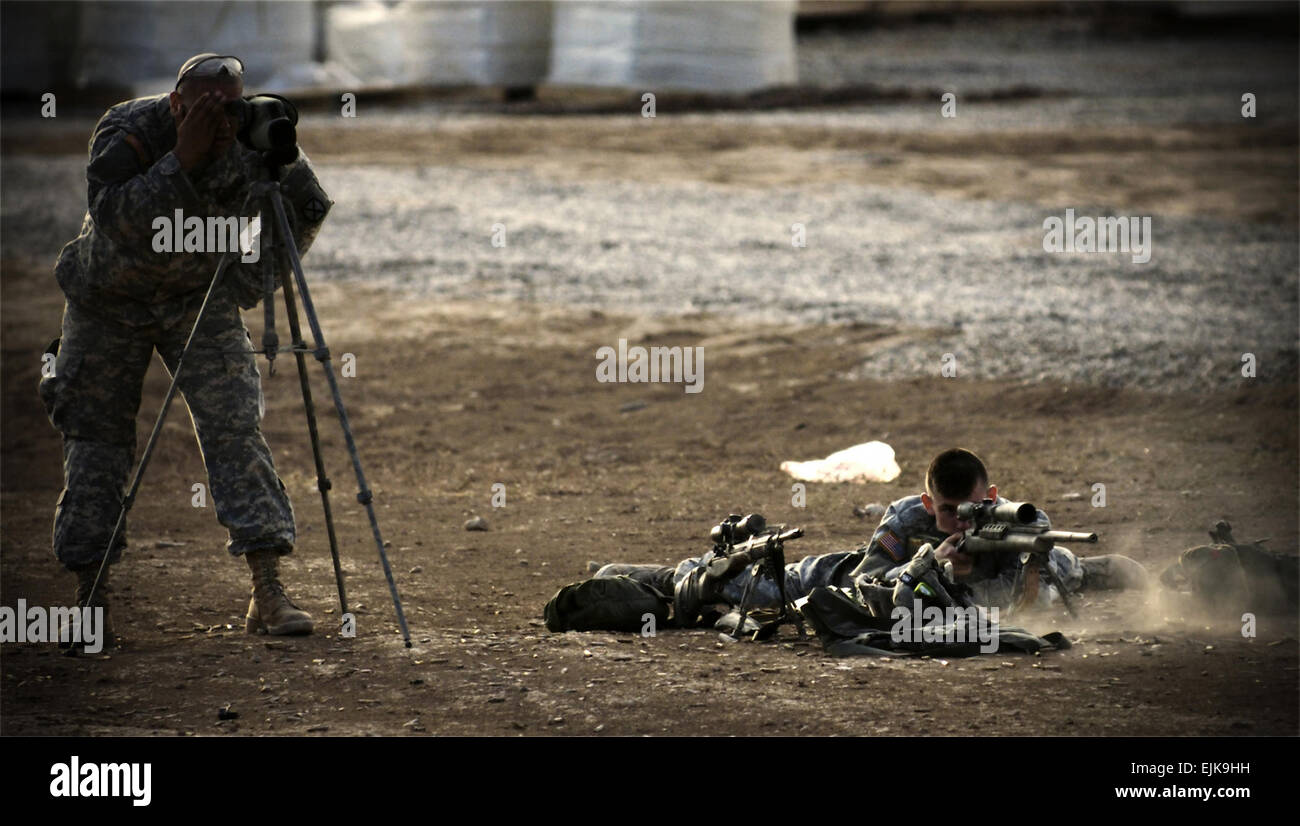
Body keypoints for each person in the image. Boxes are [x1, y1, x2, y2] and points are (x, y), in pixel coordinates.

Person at [39, 53, 332, 643]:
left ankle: (267, 589)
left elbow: (306, 208)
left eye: (233, 107)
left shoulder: (254, 134)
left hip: (196, 299)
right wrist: (183, 159)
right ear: (177, 104)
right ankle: (90, 596)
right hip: (107, 301)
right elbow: (115, 213)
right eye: (208, 109)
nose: (225, 122)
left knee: (234, 426)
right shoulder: (131, 130)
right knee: (96, 438)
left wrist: (244, 284)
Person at [591, 448, 1146, 626]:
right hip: (835, 580)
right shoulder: (907, 519)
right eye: (950, 512)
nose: (962, 521)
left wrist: (1028, 564)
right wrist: (931, 563)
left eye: (974, 508)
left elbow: (1051, 548)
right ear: (931, 504)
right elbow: (866, 586)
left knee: (1074, 570)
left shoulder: (1012, 521)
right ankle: (651, 576)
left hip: (967, 603)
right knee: (738, 586)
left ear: (993, 495)